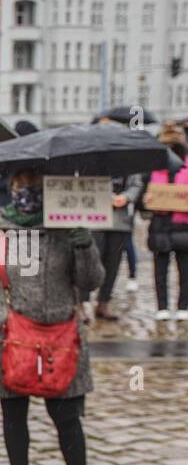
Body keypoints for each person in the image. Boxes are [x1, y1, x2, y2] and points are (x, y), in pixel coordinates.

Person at [0, 168, 105, 465]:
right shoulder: (1, 232)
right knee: (15, 419)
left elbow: (91, 281)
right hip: (11, 338)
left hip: (61, 339)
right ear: (11, 190)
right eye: (20, 185)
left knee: (67, 421)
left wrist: (85, 244)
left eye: (36, 186)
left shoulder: (67, 231)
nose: (27, 192)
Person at [90, 120, 143, 321]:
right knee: (90, 261)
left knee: (113, 263)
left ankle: (103, 302)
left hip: (120, 220)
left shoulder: (129, 160)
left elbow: (136, 185)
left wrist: (126, 197)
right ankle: (81, 302)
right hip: (95, 218)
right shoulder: (92, 159)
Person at [146, 124, 188, 320]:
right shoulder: (153, 168)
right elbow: (140, 199)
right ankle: (161, 306)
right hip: (160, 225)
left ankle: (183, 306)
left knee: (185, 270)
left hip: (183, 225)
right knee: (160, 270)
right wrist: (145, 201)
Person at [0, 120, 38, 209]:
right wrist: (15, 183)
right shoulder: (4, 154)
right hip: (7, 207)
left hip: (30, 209)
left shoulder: (36, 156)